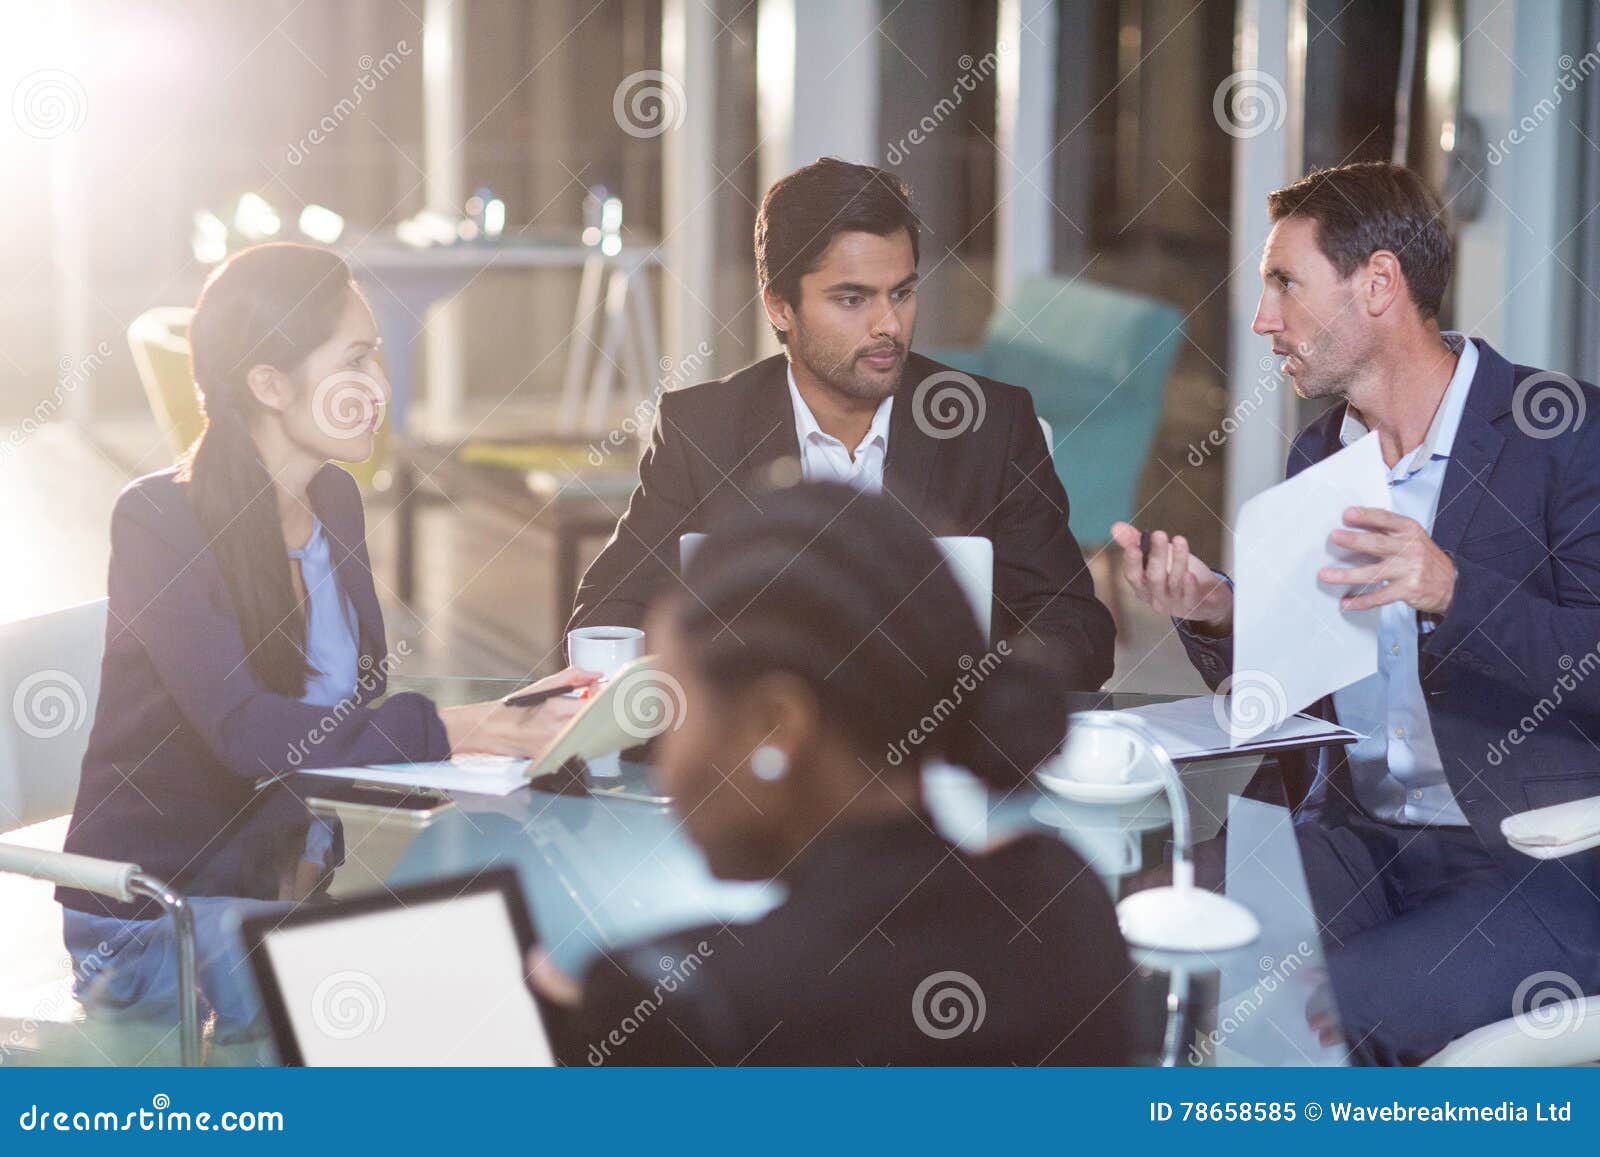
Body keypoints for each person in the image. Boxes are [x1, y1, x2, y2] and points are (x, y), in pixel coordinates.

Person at [1111, 161, 1600, 1064]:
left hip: (1533, 860)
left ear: (1378, 284)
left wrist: (1453, 590)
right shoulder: (1321, 455)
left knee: (1313, 1020)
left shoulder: (1564, 431)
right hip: (1356, 837)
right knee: (1136, 943)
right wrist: (1222, 615)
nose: (1263, 320)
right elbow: (1298, 689)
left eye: (1285, 284)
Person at [58, 242, 596, 1030]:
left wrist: (505, 721)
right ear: (269, 383)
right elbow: (247, 734)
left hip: (286, 892)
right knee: (457, 994)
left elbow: (346, 717)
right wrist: (466, 727)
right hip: (157, 922)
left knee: (529, 943)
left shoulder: (334, 500)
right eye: (356, 360)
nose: (381, 388)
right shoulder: (158, 521)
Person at [532, 484, 1131, 1065]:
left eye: (677, 711)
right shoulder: (1066, 901)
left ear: (775, 726)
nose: (663, 765)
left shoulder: (682, 1008)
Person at [569, 157, 1115, 692]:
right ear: (780, 307)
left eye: (902, 293)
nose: (889, 325)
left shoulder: (990, 425)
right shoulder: (701, 429)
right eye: (852, 299)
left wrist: (976, 697)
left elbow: (1075, 629)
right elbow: (606, 614)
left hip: (939, 736)